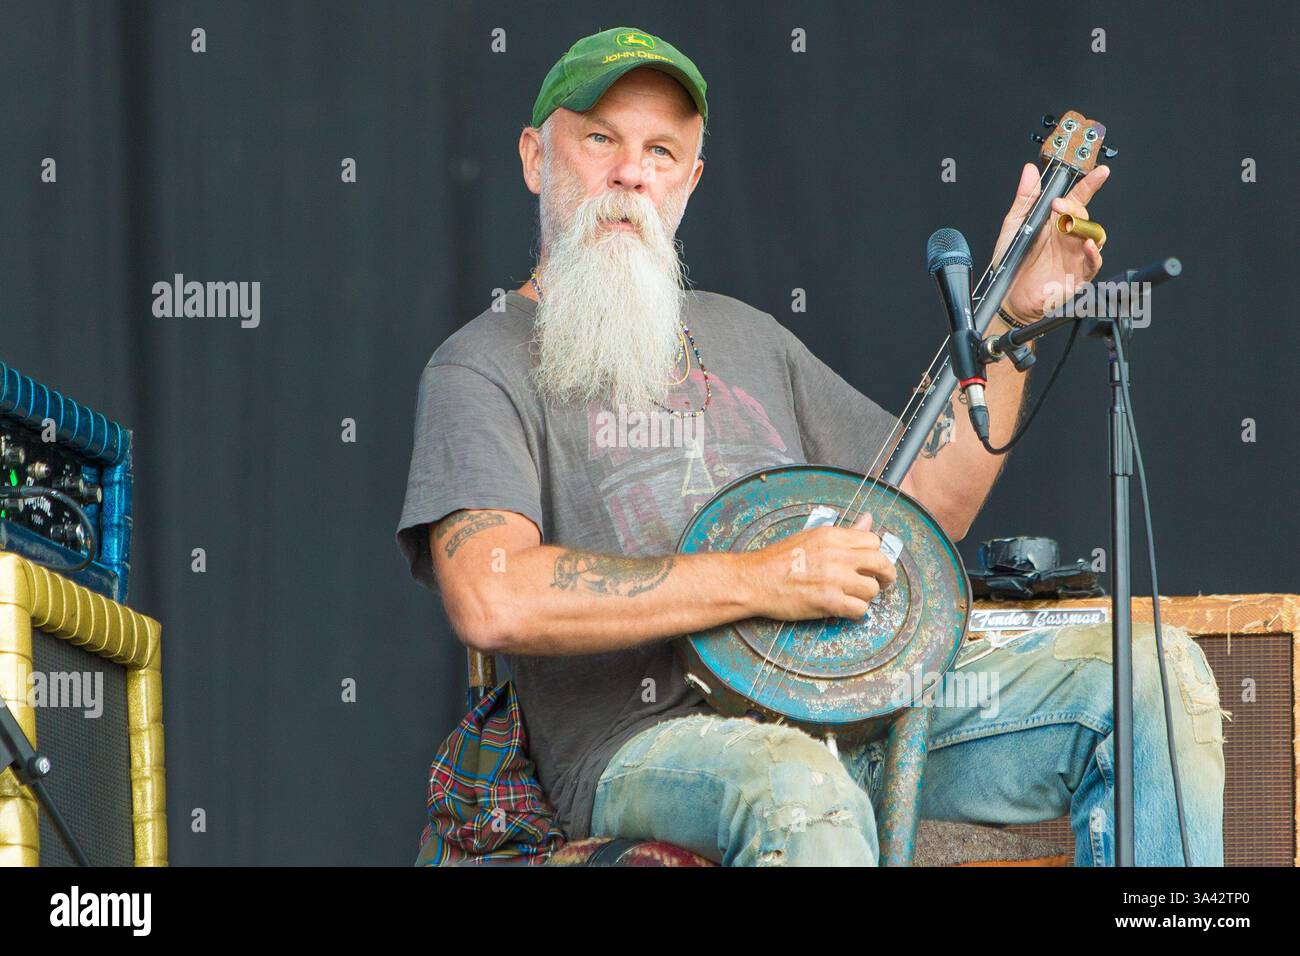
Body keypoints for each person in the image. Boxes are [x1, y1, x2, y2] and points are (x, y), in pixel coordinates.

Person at [397, 26, 1225, 865]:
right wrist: (764, 578)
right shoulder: (482, 363)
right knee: (797, 784)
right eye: (602, 139)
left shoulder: (747, 335)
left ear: (691, 180)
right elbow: (492, 598)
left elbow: (930, 506)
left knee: (1154, 674)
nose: (631, 173)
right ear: (538, 157)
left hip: (857, 706)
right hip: (649, 743)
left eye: (661, 150)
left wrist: (1010, 317)